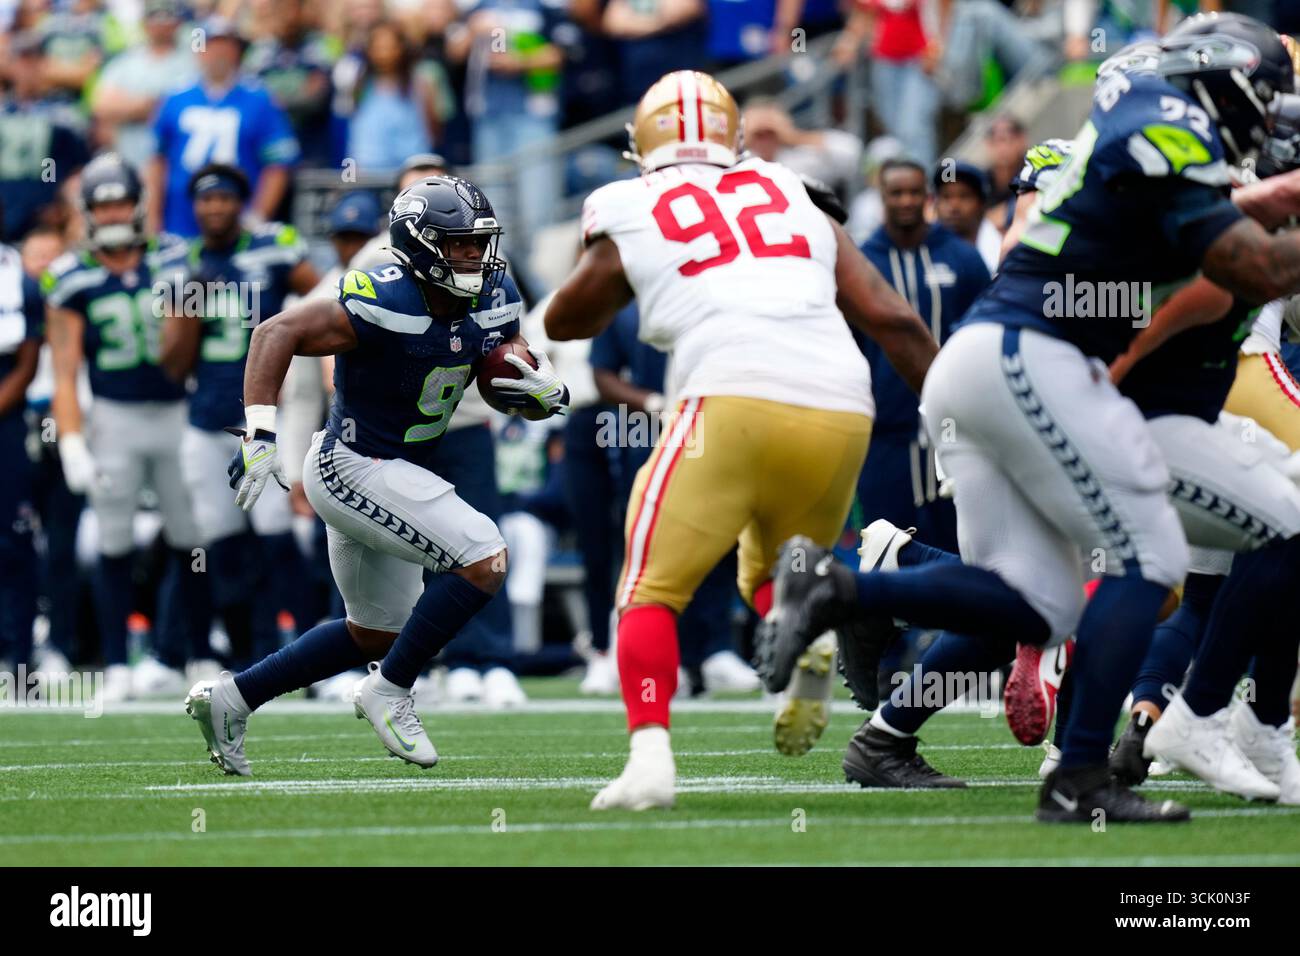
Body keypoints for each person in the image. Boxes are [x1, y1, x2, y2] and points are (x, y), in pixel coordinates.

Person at [760, 12, 1300, 823]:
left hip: (1007, 365)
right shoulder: (1164, 124)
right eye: (1261, 93)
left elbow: (1239, 211)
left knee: (1043, 602)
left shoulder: (1154, 134)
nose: (1265, 114)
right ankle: (1089, 768)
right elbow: (1245, 261)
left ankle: (845, 589)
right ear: (1215, 82)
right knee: (1149, 554)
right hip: (1030, 357)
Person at [545, 70, 936, 810]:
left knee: (649, 591)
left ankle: (651, 757)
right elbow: (895, 320)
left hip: (727, 395)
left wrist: (636, 274)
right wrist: (957, 423)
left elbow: (567, 321)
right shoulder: (790, 192)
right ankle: (812, 643)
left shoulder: (630, 201)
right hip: (838, 403)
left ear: (642, 142)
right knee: (781, 579)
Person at [184, 176, 569, 775]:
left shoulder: (495, 292)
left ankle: (232, 698)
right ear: (419, 246)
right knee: (486, 556)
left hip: (397, 468)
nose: (475, 256)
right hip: (351, 465)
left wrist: (535, 390)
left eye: (479, 243)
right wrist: (260, 432)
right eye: (458, 244)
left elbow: (499, 370)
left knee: (376, 633)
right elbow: (274, 332)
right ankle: (389, 691)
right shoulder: (383, 296)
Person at [42, 154, 208, 701]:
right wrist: (70, 440)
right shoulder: (70, 276)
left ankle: (197, 653)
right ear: (87, 212)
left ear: (138, 204)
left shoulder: (175, 257)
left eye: (119, 200)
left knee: (191, 533)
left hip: (176, 410)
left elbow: (187, 348)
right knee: (112, 537)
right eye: (102, 203)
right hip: (113, 416)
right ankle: (115, 662)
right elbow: (65, 370)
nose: (112, 211)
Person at [157, 163, 319, 670]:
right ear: (194, 207)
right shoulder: (180, 263)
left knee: (277, 535)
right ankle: (247, 655)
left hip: (264, 417)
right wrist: (189, 305)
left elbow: (325, 303)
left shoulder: (273, 249)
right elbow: (173, 364)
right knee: (220, 546)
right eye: (205, 200)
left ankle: (309, 652)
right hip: (207, 420)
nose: (215, 208)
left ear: (241, 203)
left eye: (225, 198)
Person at [857, 158, 990, 556]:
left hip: (954, 426)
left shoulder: (962, 258)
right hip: (886, 434)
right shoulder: (862, 263)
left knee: (959, 543)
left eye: (916, 192)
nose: (907, 201)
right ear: (882, 198)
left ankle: (957, 618)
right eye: (897, 193)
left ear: (927, 197)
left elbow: (985, 332)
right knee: (884, 545)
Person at [149, 16, 300, 237]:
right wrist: (153, 218)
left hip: (237, 222)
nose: (219, 53)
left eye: (226, 45)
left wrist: (257, 216)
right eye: (212, 45)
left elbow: (277, 164)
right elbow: (156, 162)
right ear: (199, 50)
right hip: (181, 222)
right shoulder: (175, 98)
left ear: (238, 51)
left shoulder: (260, 99)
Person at [0, 229, 44, 678]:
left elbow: (27, 360)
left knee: (12, 541)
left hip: (5, 419)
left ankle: (18, 661)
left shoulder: (18, 278)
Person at [91, 0, 197, 170]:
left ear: (178, 22)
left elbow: (196, 105)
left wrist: (133, 107)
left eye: (167, 17)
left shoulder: (192, 61)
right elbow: (102, 106)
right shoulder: (125, 61)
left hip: (179, 162)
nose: (161, 24)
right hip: (132, 160)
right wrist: (151, 105)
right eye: (154, 17)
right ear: (144, 23)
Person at [932, 160, 1001, 275]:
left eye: (964, 196)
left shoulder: (1003, 253)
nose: (954, 206)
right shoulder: (921, 249)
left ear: (982, 204)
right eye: (946, 197)